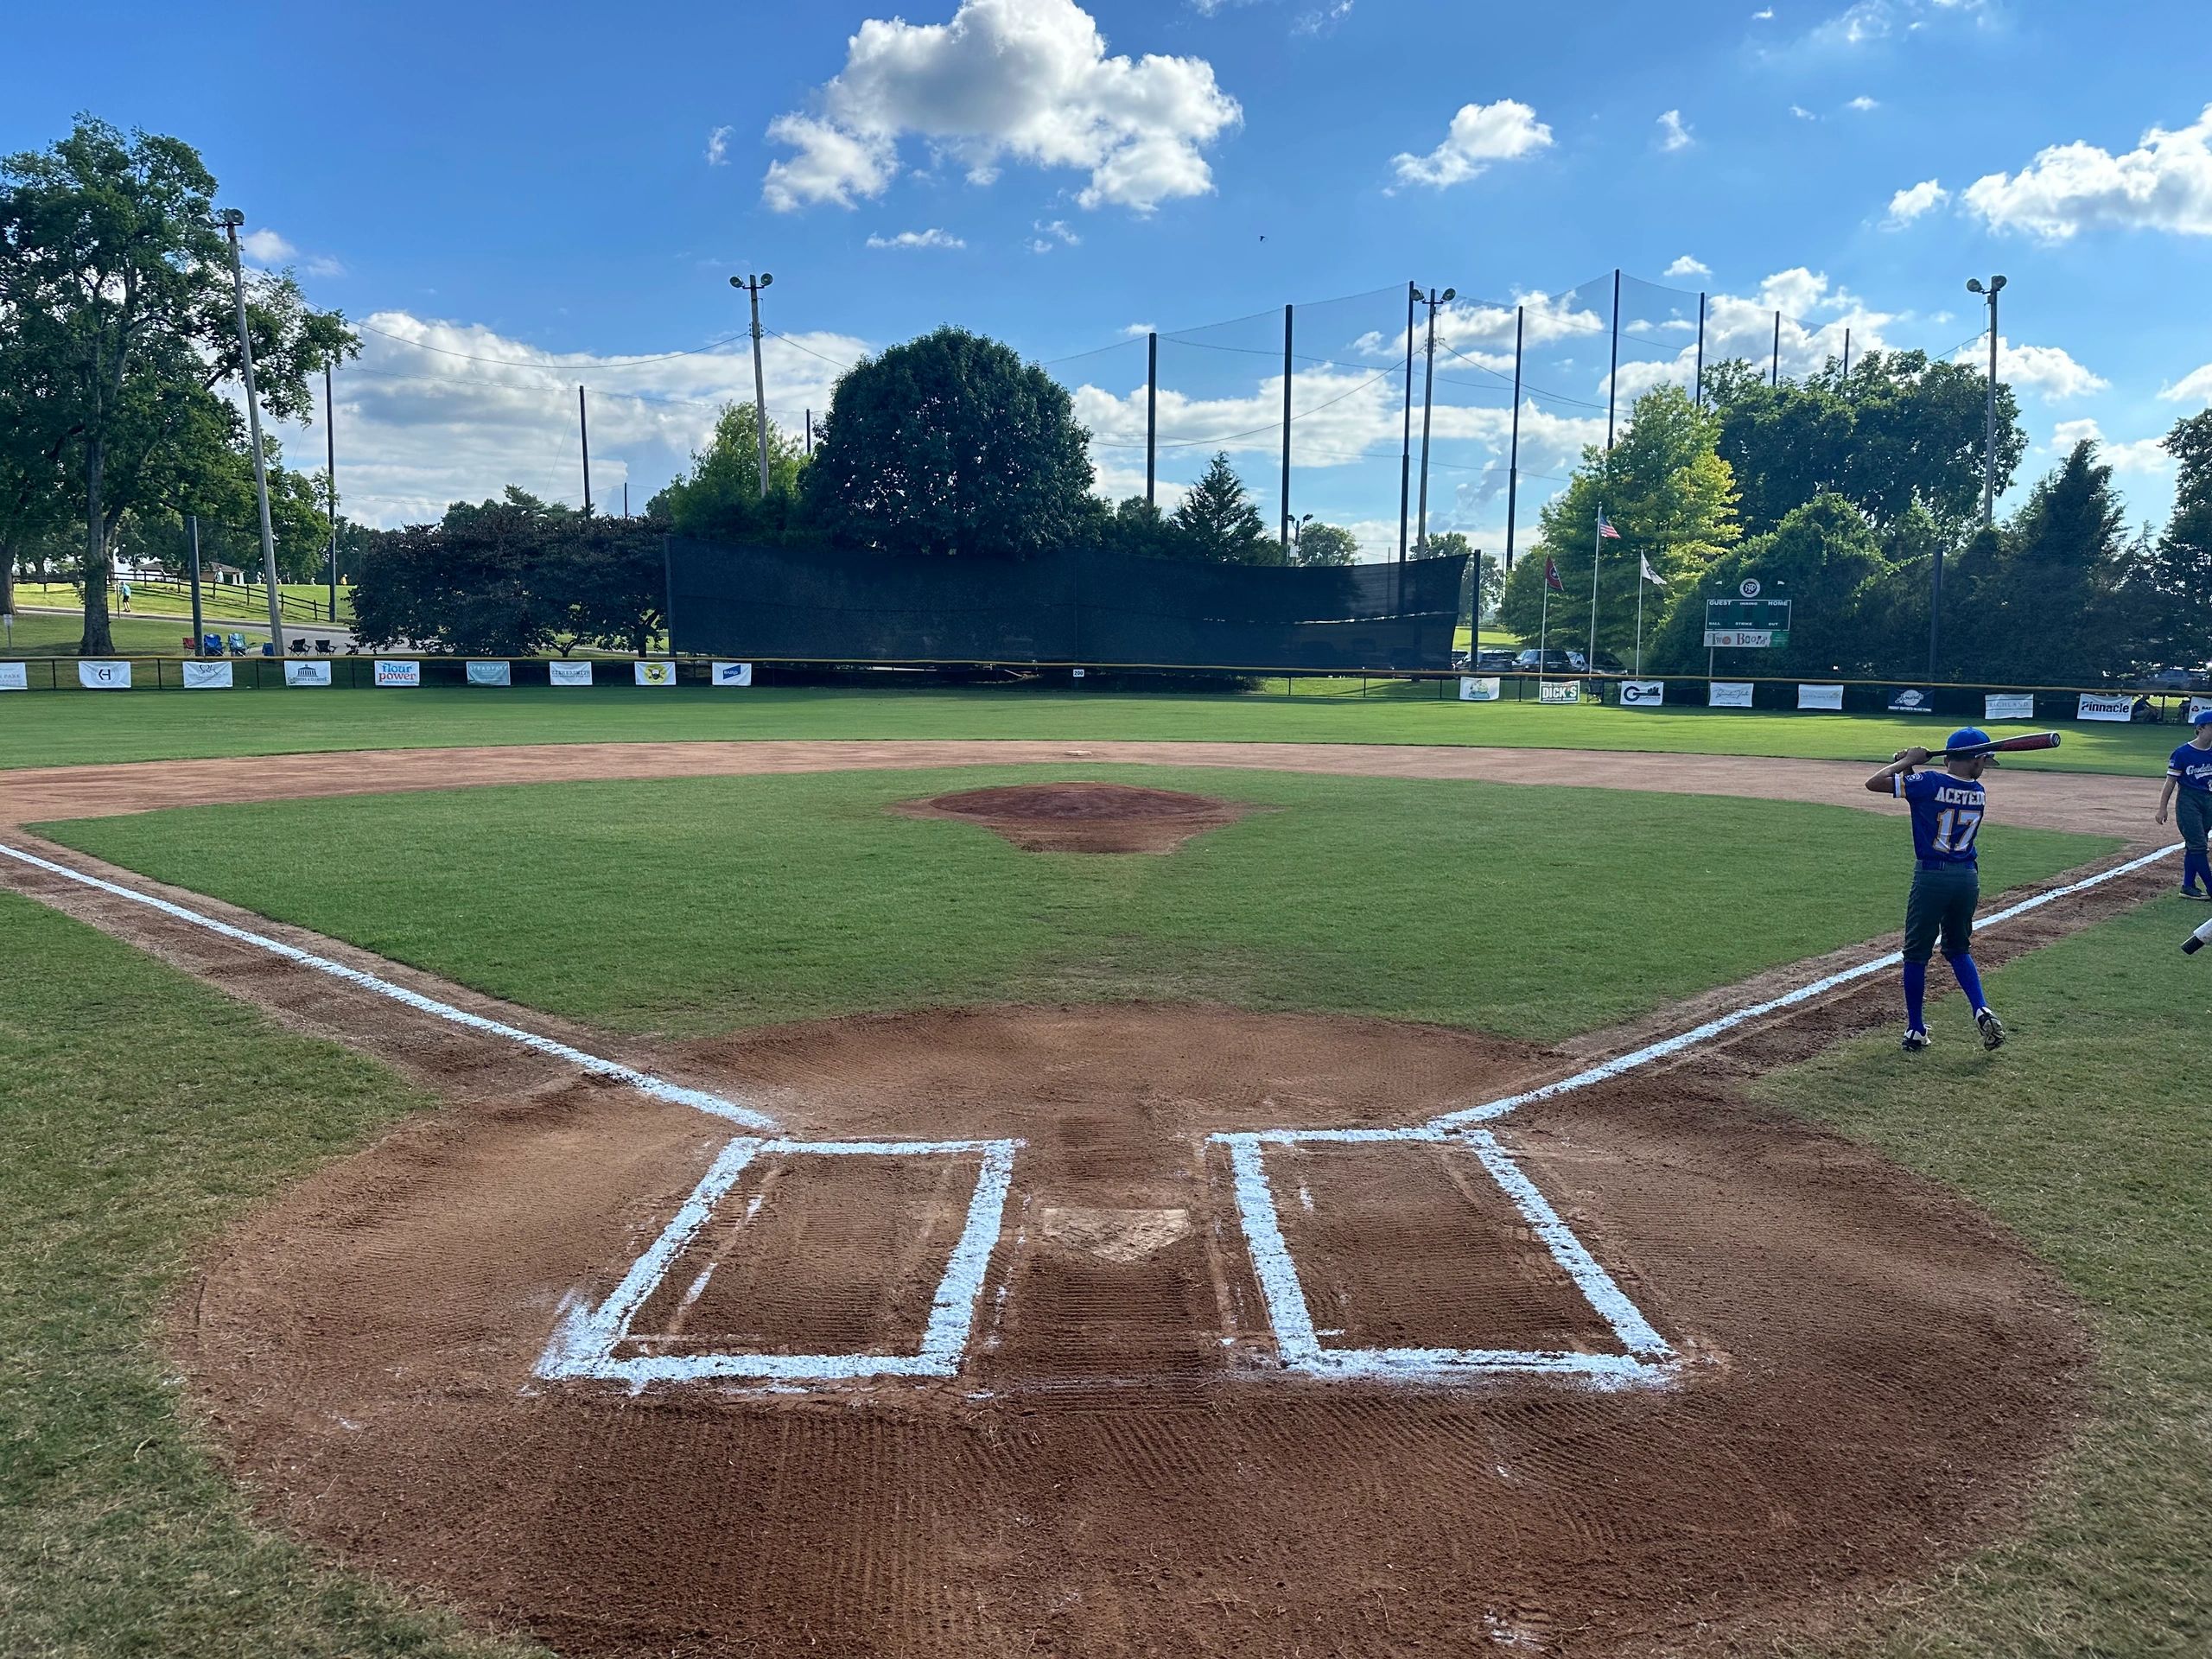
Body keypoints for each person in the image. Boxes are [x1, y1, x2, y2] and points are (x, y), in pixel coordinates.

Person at [1866, 728, 2005, 1053]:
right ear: (1972, 760)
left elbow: (1875, 782)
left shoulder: (1930, 782)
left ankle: (1915, 1029)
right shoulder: (1979, 791)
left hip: (1932, 877)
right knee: (1958, 949)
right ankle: (1981, 1008)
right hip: (1967, 879)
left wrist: (1907, 763)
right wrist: (1912, 768)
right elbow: (1926, 798)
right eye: (1983, 759)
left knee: (1916, 955)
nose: (1984, 766)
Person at [2155, 708, 2212, 899]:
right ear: (2200, 728)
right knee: (2198, 846)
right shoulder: (2182, 753)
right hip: (2189, 801)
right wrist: (2162, 808)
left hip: (2209, 801)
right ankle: (2211, 887)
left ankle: (2188, 887)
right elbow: (2170, 781)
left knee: (2195, 844)